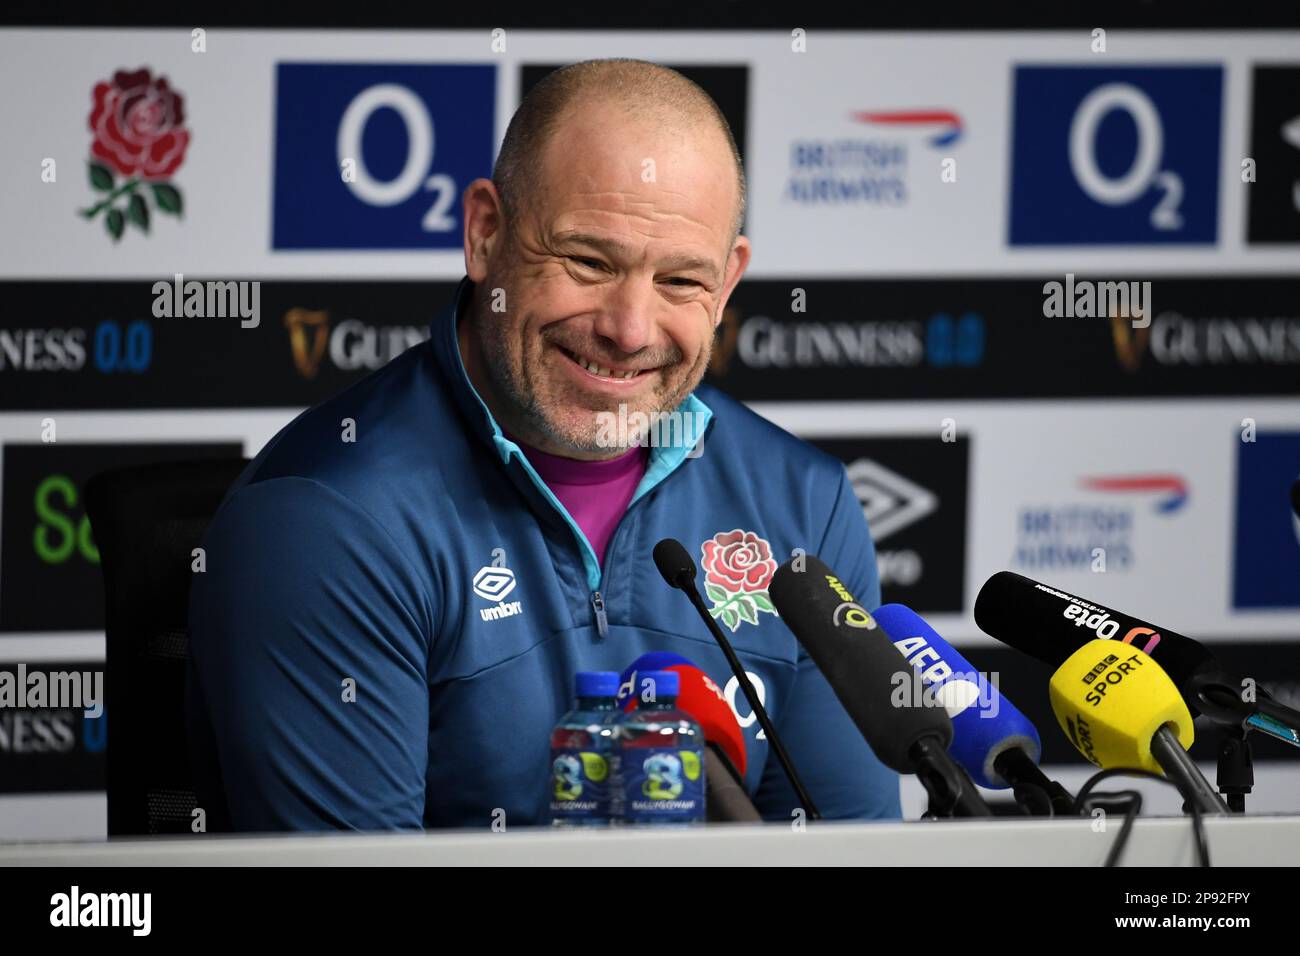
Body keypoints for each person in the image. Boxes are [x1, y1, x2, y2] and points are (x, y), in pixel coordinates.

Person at [186, 58, 900, 830]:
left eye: (681, 282)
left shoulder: (807, 505)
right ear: (485, 234)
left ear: (728, 284)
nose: (628, 330)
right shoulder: (326, 520)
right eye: (589, 262)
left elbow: (843, 852)